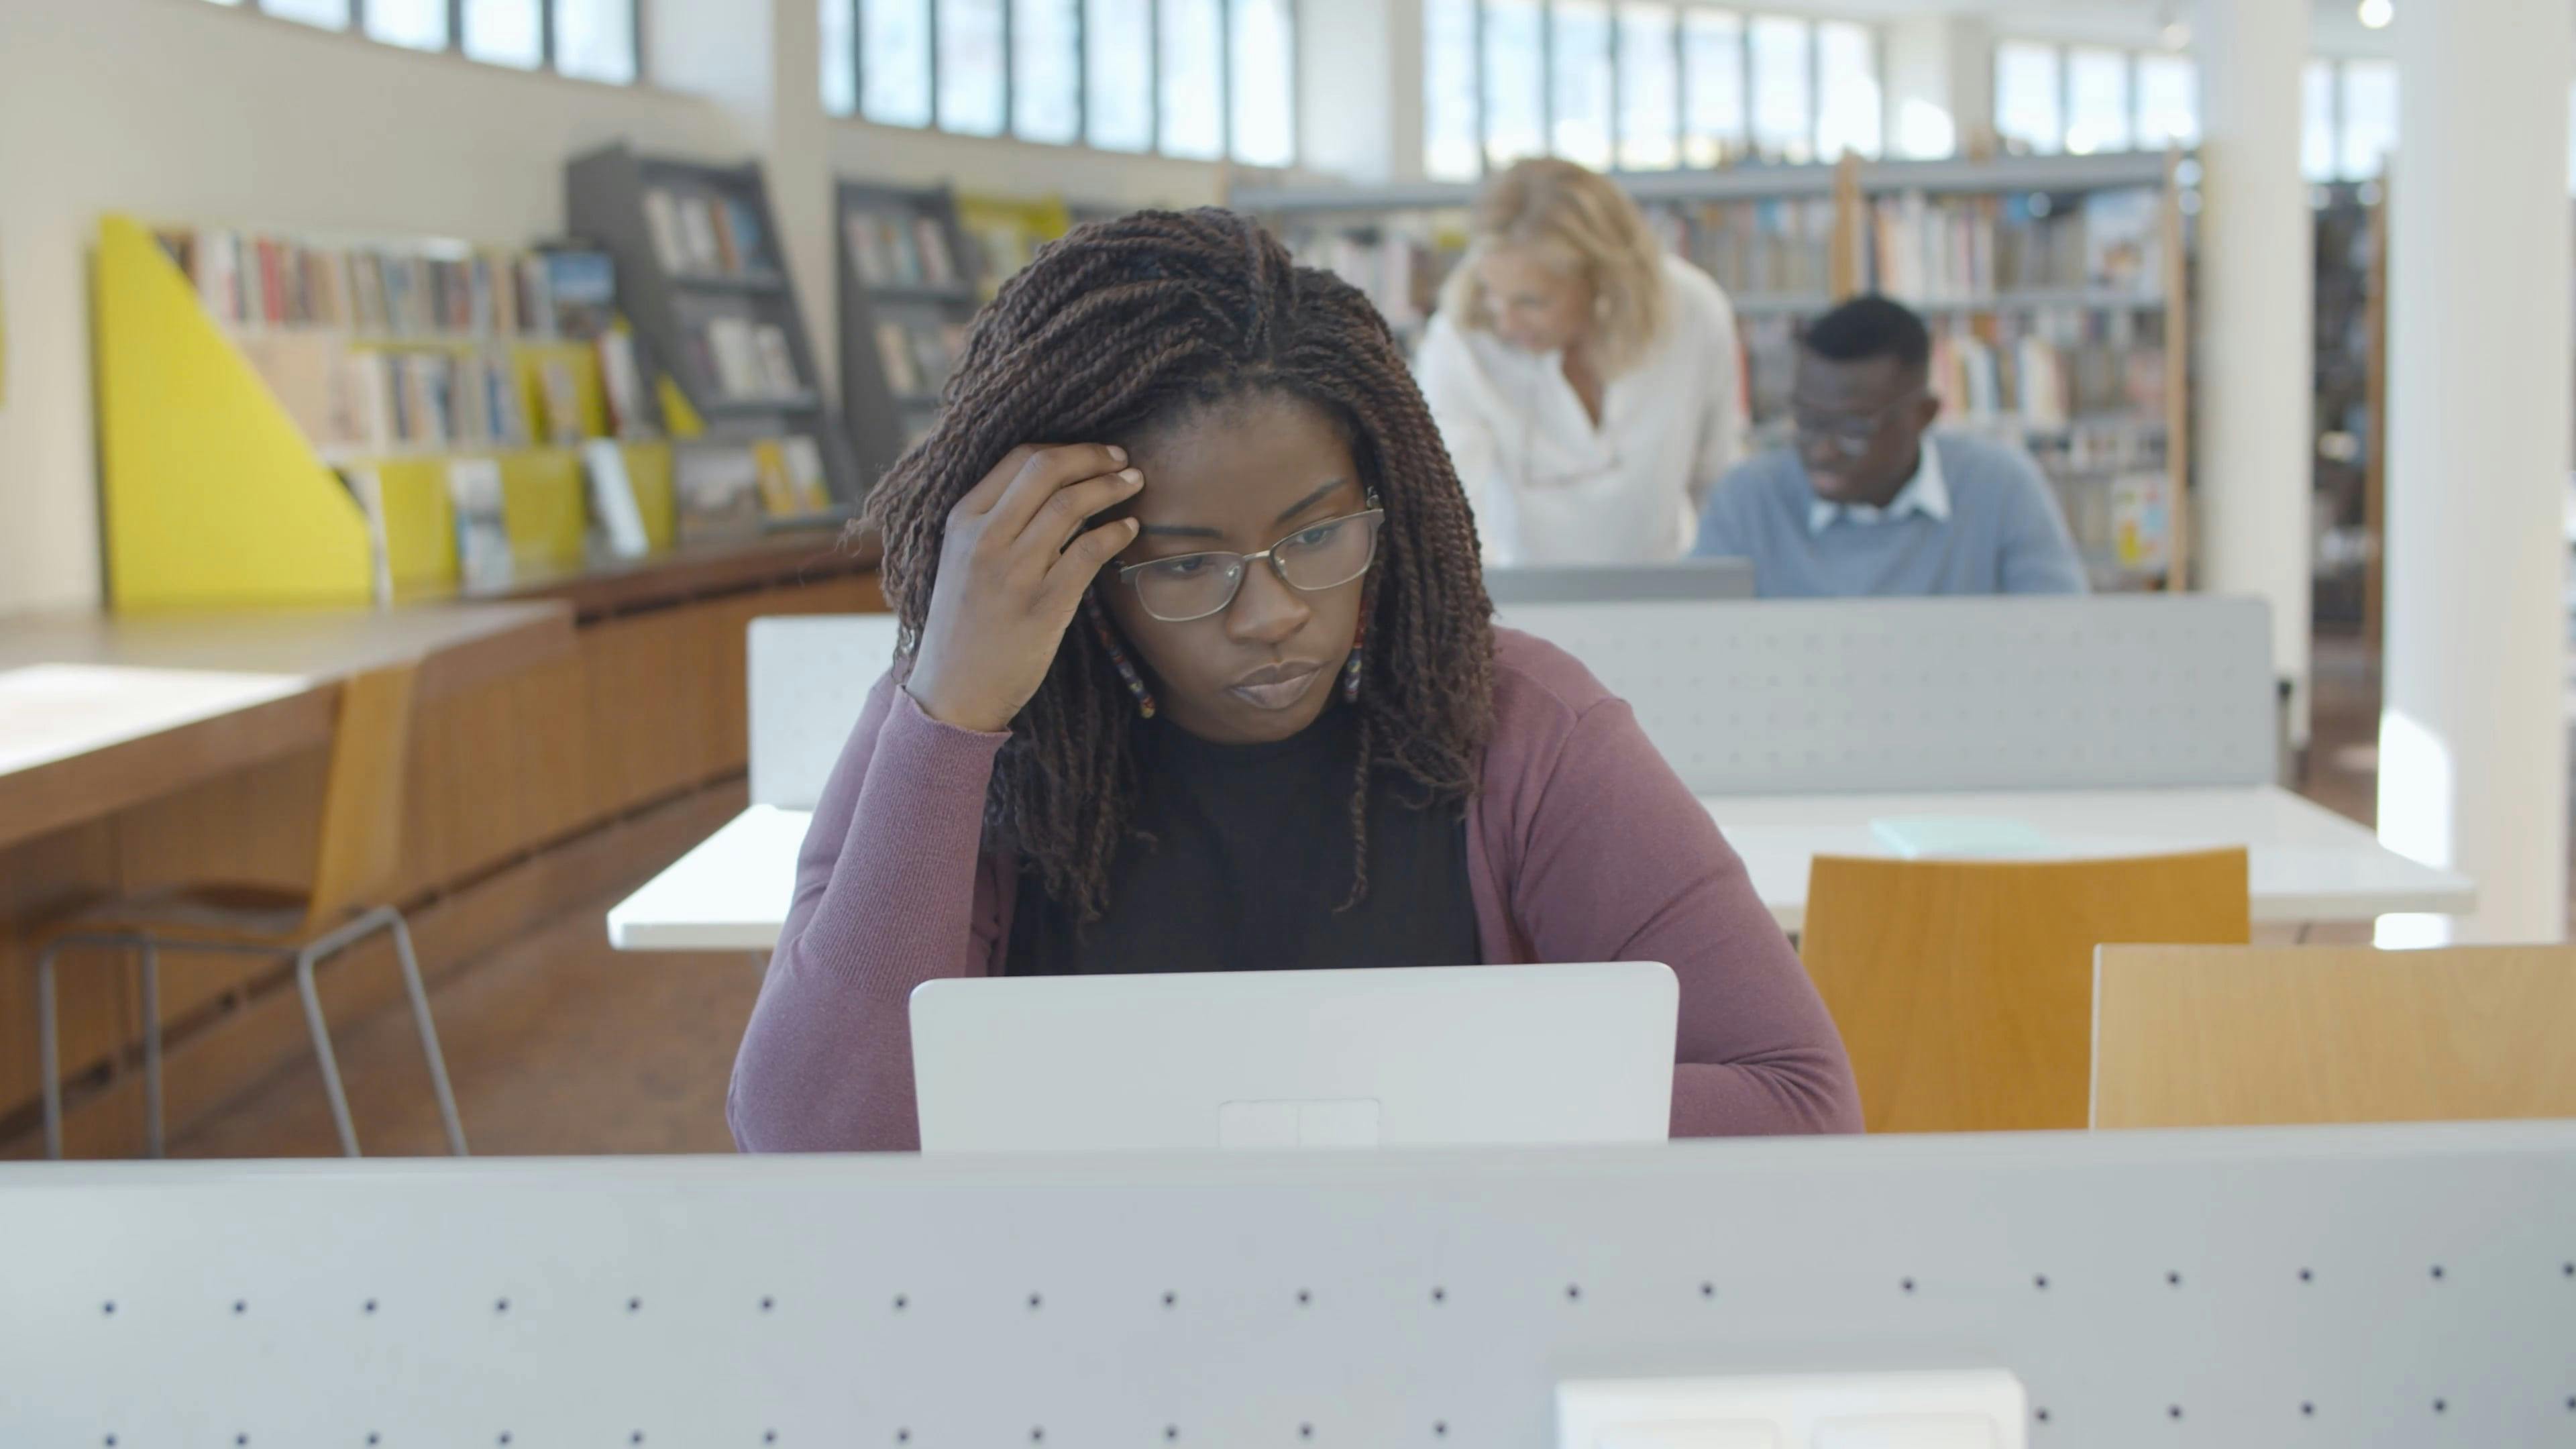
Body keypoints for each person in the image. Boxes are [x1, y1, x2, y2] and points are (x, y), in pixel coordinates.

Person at [729, 209, 1859, 1152]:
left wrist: (1334, 1109)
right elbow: (816, 1144)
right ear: (1084, 565)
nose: (1272, 615)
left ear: (1390, 504)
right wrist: (950, 715)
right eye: (1184, 564)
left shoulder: (1523, 725)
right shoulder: (963, 735)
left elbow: (1802, 1106)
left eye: (1319, 539)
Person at [1415, 158, 1746, 566]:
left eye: (1532, 302)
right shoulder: (1460, 338)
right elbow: (1446, 511)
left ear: (1603, 282)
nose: (1505, 321)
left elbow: (1719, 484)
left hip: (1665, 593)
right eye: (1491, 292)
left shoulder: (1695, 310)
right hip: (1518, 606)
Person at [1695, 295, 2090, 598]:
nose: (1822, 450)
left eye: (1852, 428)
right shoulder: (1747, 497)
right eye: (1809, 422)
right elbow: (1693, 640)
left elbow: (2060, 635)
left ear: (1924, 414)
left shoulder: (2001, 486)